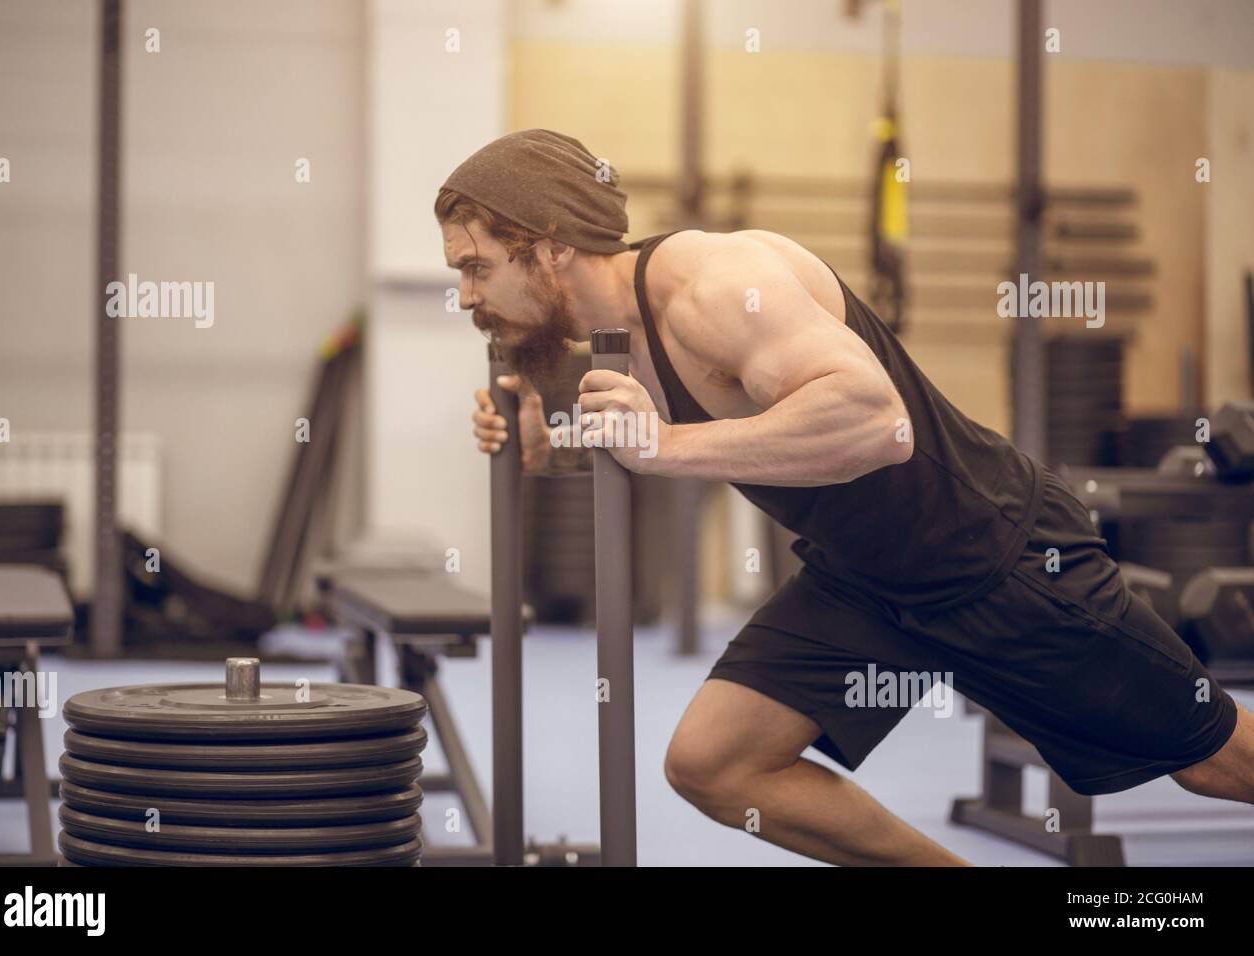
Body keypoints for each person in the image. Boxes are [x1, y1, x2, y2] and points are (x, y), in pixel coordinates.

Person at [437, 128, 1253, 866]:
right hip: (864, 577)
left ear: (547, 249)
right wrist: (550, 452)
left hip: (993, 554)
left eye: (476, 267)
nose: (466, 295)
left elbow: (876, 423)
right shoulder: (616, 340)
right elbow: (645, 452)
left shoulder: (714, 287)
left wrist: (669, 446)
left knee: (1215, 762)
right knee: (715, 765)